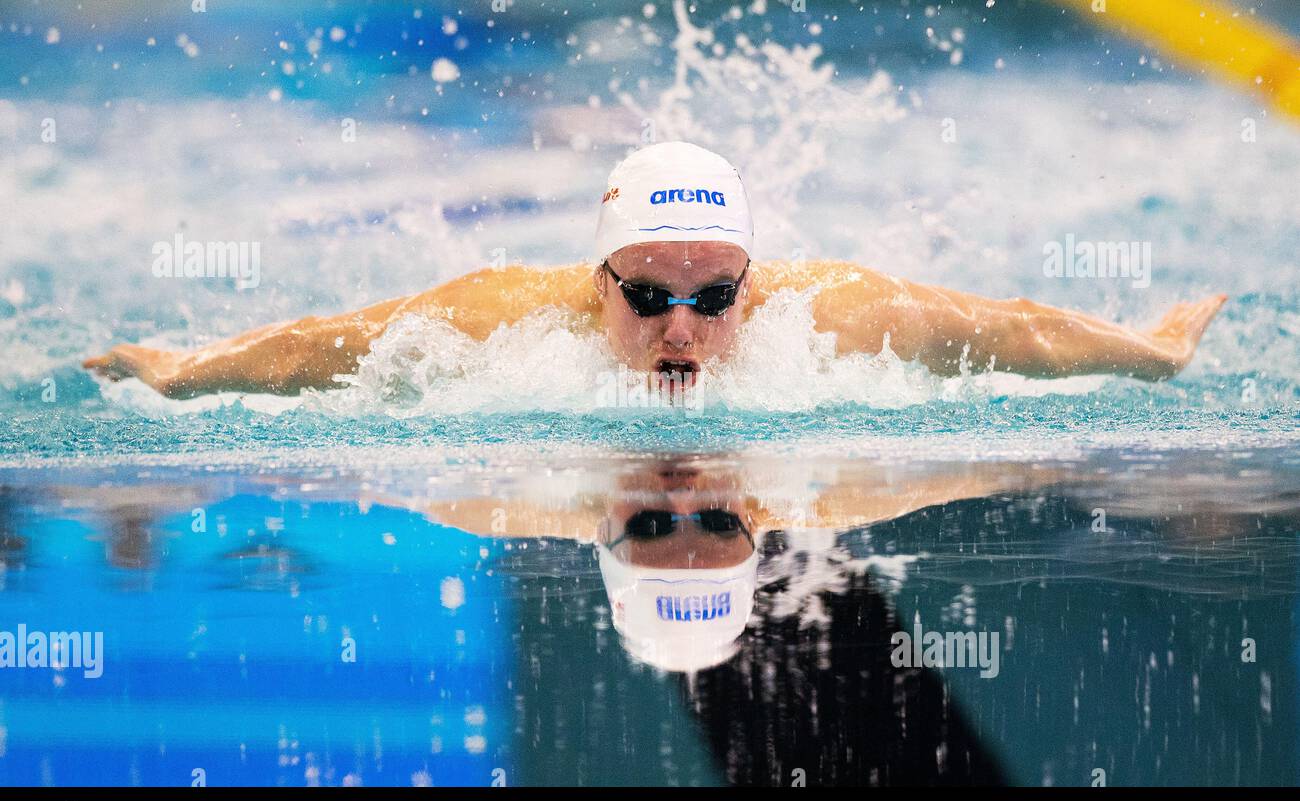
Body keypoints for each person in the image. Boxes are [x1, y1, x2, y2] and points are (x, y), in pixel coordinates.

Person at [84, 141, 1227, 398]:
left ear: (752, 284)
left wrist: (1151, 350)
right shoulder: (496, 328)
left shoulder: (834, 320)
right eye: (645, 295)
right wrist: (184, 374)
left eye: (713, 296)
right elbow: (311, 345)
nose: (680, 329)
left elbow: (1014, 329)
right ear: (597, 286)